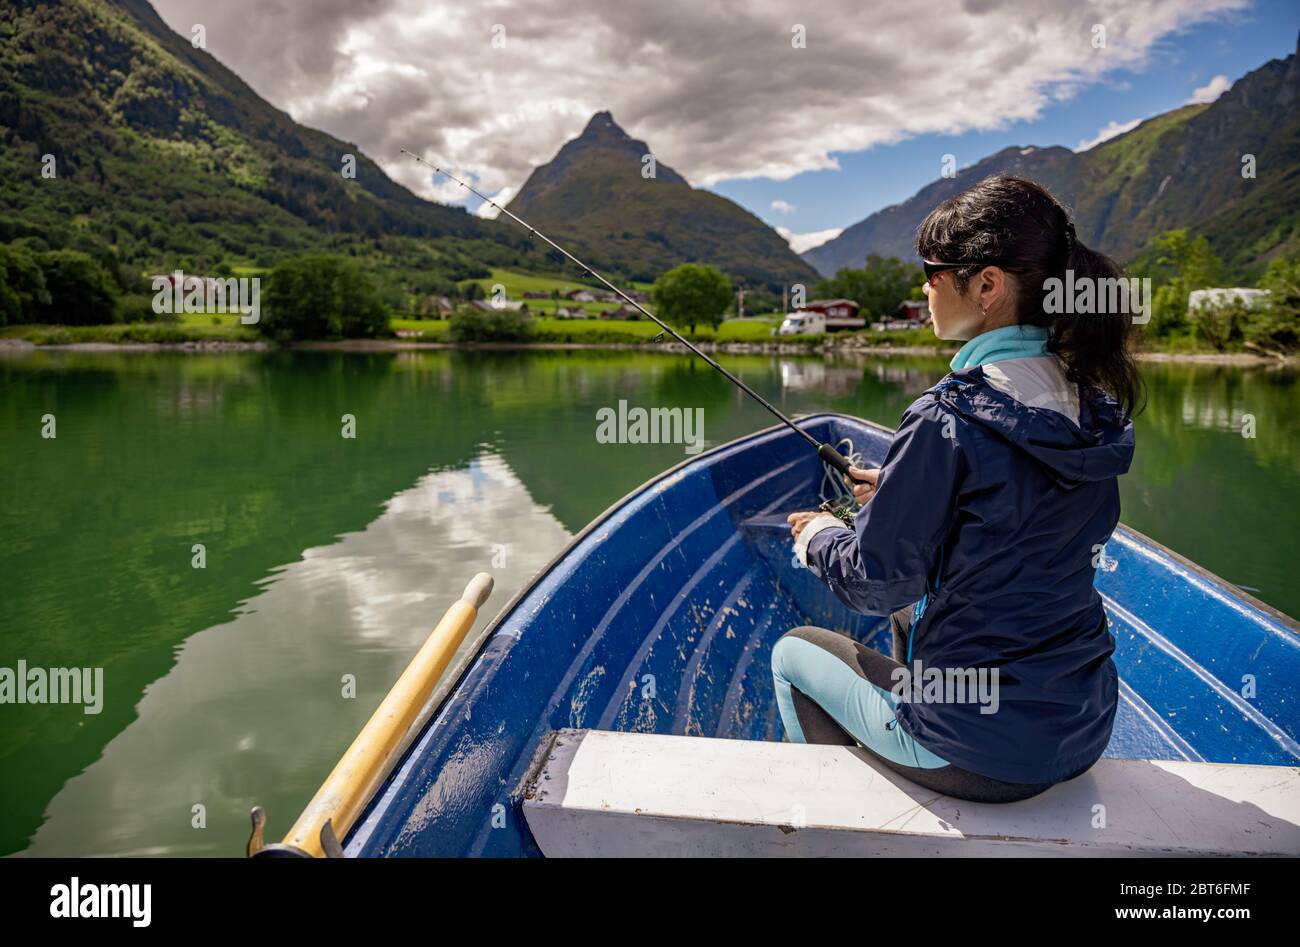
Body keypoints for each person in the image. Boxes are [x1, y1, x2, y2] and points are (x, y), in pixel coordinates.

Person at [775, 175, 1142, 803]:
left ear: (988, 285)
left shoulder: (950, 413)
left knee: (793, 653)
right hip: (1082, 729)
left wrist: (820, 537)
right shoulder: (1091, 408)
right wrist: (899, 492)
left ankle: (837, 822)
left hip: (974, 749)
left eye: (933, 271)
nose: (924, 287)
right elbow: (1012, 513)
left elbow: (876, 582)